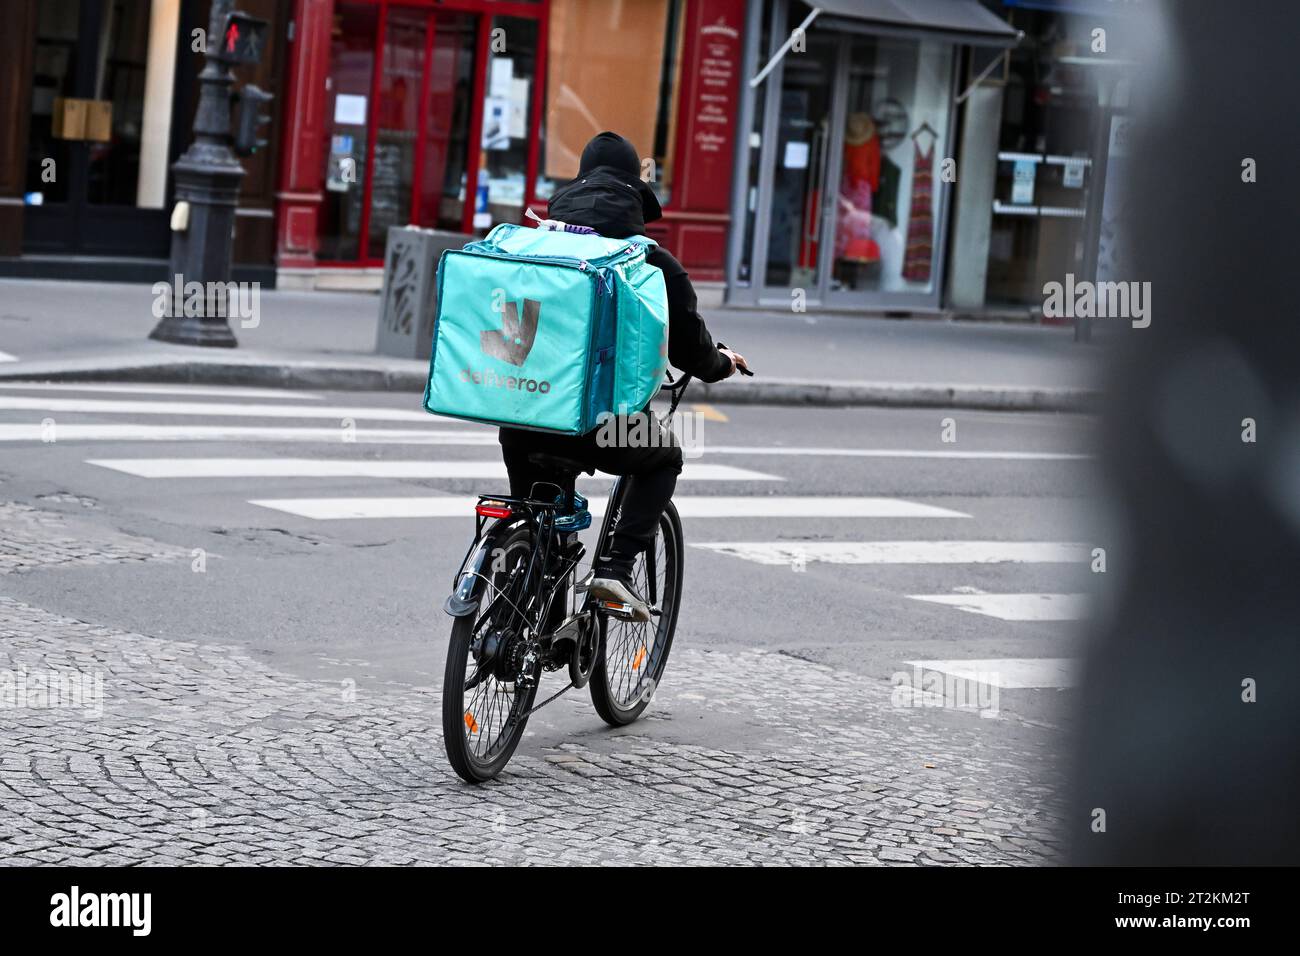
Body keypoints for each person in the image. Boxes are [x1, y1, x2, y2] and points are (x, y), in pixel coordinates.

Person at [498, 131, 747, 622]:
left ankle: (514, 596)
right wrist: (722, 362)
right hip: (600, 428)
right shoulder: (650, 263)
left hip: (522, 417)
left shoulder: (538, 247)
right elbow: (691, 352)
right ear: (633, 193)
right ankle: (614, 567)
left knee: (536, 516)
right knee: (664, 456)